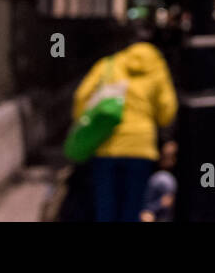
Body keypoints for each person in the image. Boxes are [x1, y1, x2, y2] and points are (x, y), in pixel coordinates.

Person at [71, 33, 177, 222]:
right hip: (141, 147)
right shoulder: (158, 68)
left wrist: (87, 121)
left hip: (107, 144)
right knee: (132, 208)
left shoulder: (109, 64)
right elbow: (167, 113)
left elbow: (81, 97)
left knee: (106, 209)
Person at [140, 139, 178, 222]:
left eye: (171, 156)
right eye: (166, 156)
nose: (168, 159)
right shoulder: (150, 173)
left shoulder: (165, 178)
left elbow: (167, 201)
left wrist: (150, 211)